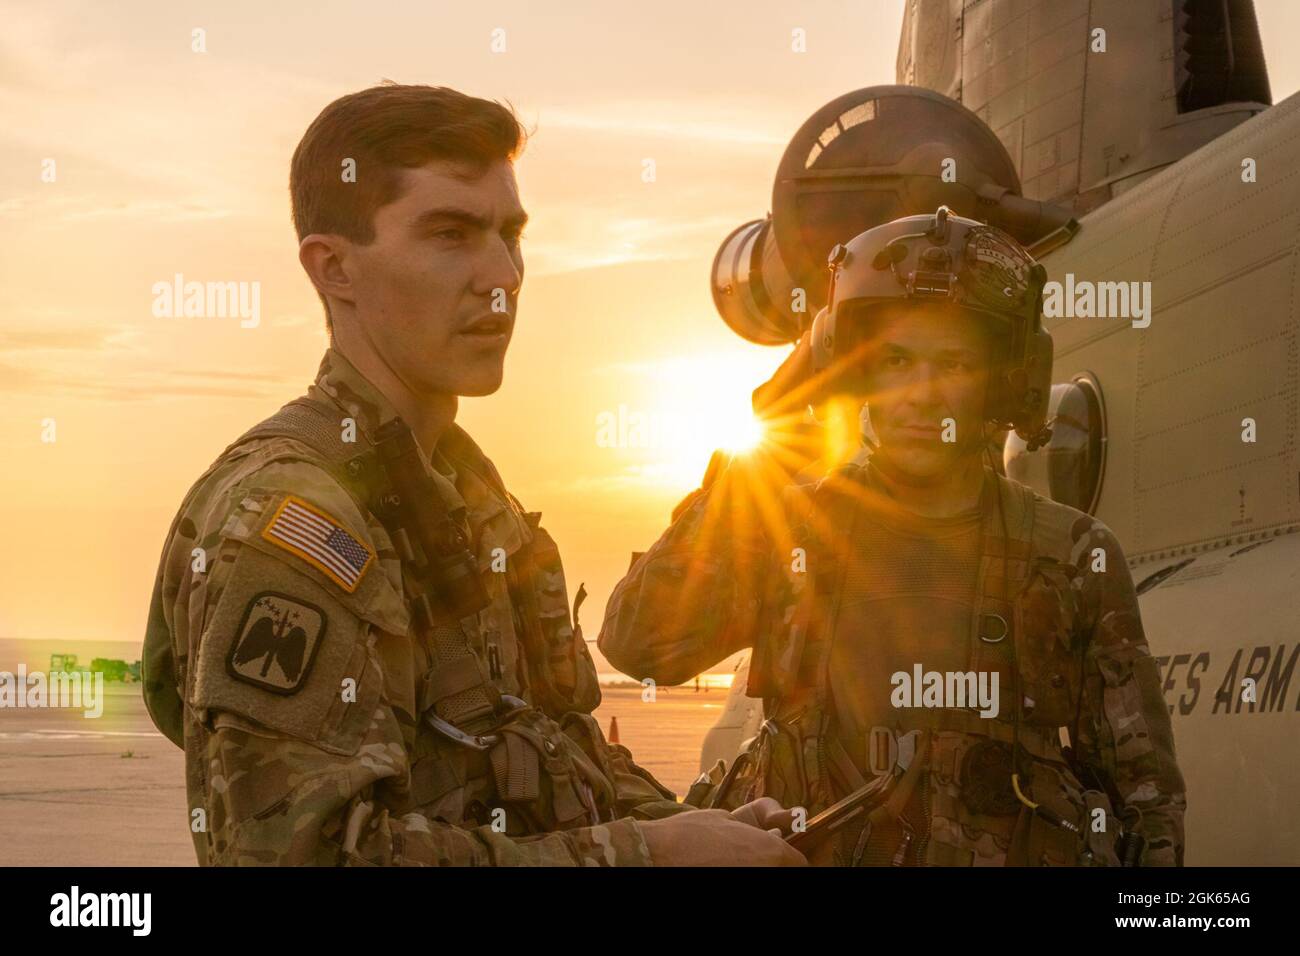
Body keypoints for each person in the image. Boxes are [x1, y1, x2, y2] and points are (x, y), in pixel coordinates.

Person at [140, 83, 803, 867]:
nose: (503, 276)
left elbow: (559, 755)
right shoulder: (291, 521)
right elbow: (309, 856)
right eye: (451, 233)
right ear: (335, 270)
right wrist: (648, 854)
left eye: (510, 235)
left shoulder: (477, 506)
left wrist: (703, 828)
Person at [600, 207, 1186, 866]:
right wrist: (757, 467)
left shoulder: (1071, 555)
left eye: (954, 363)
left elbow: (1146, 798)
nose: (921, 394)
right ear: (855, 369)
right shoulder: (788, 528)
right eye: (896, 359)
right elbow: (639, 644)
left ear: (998, 379)